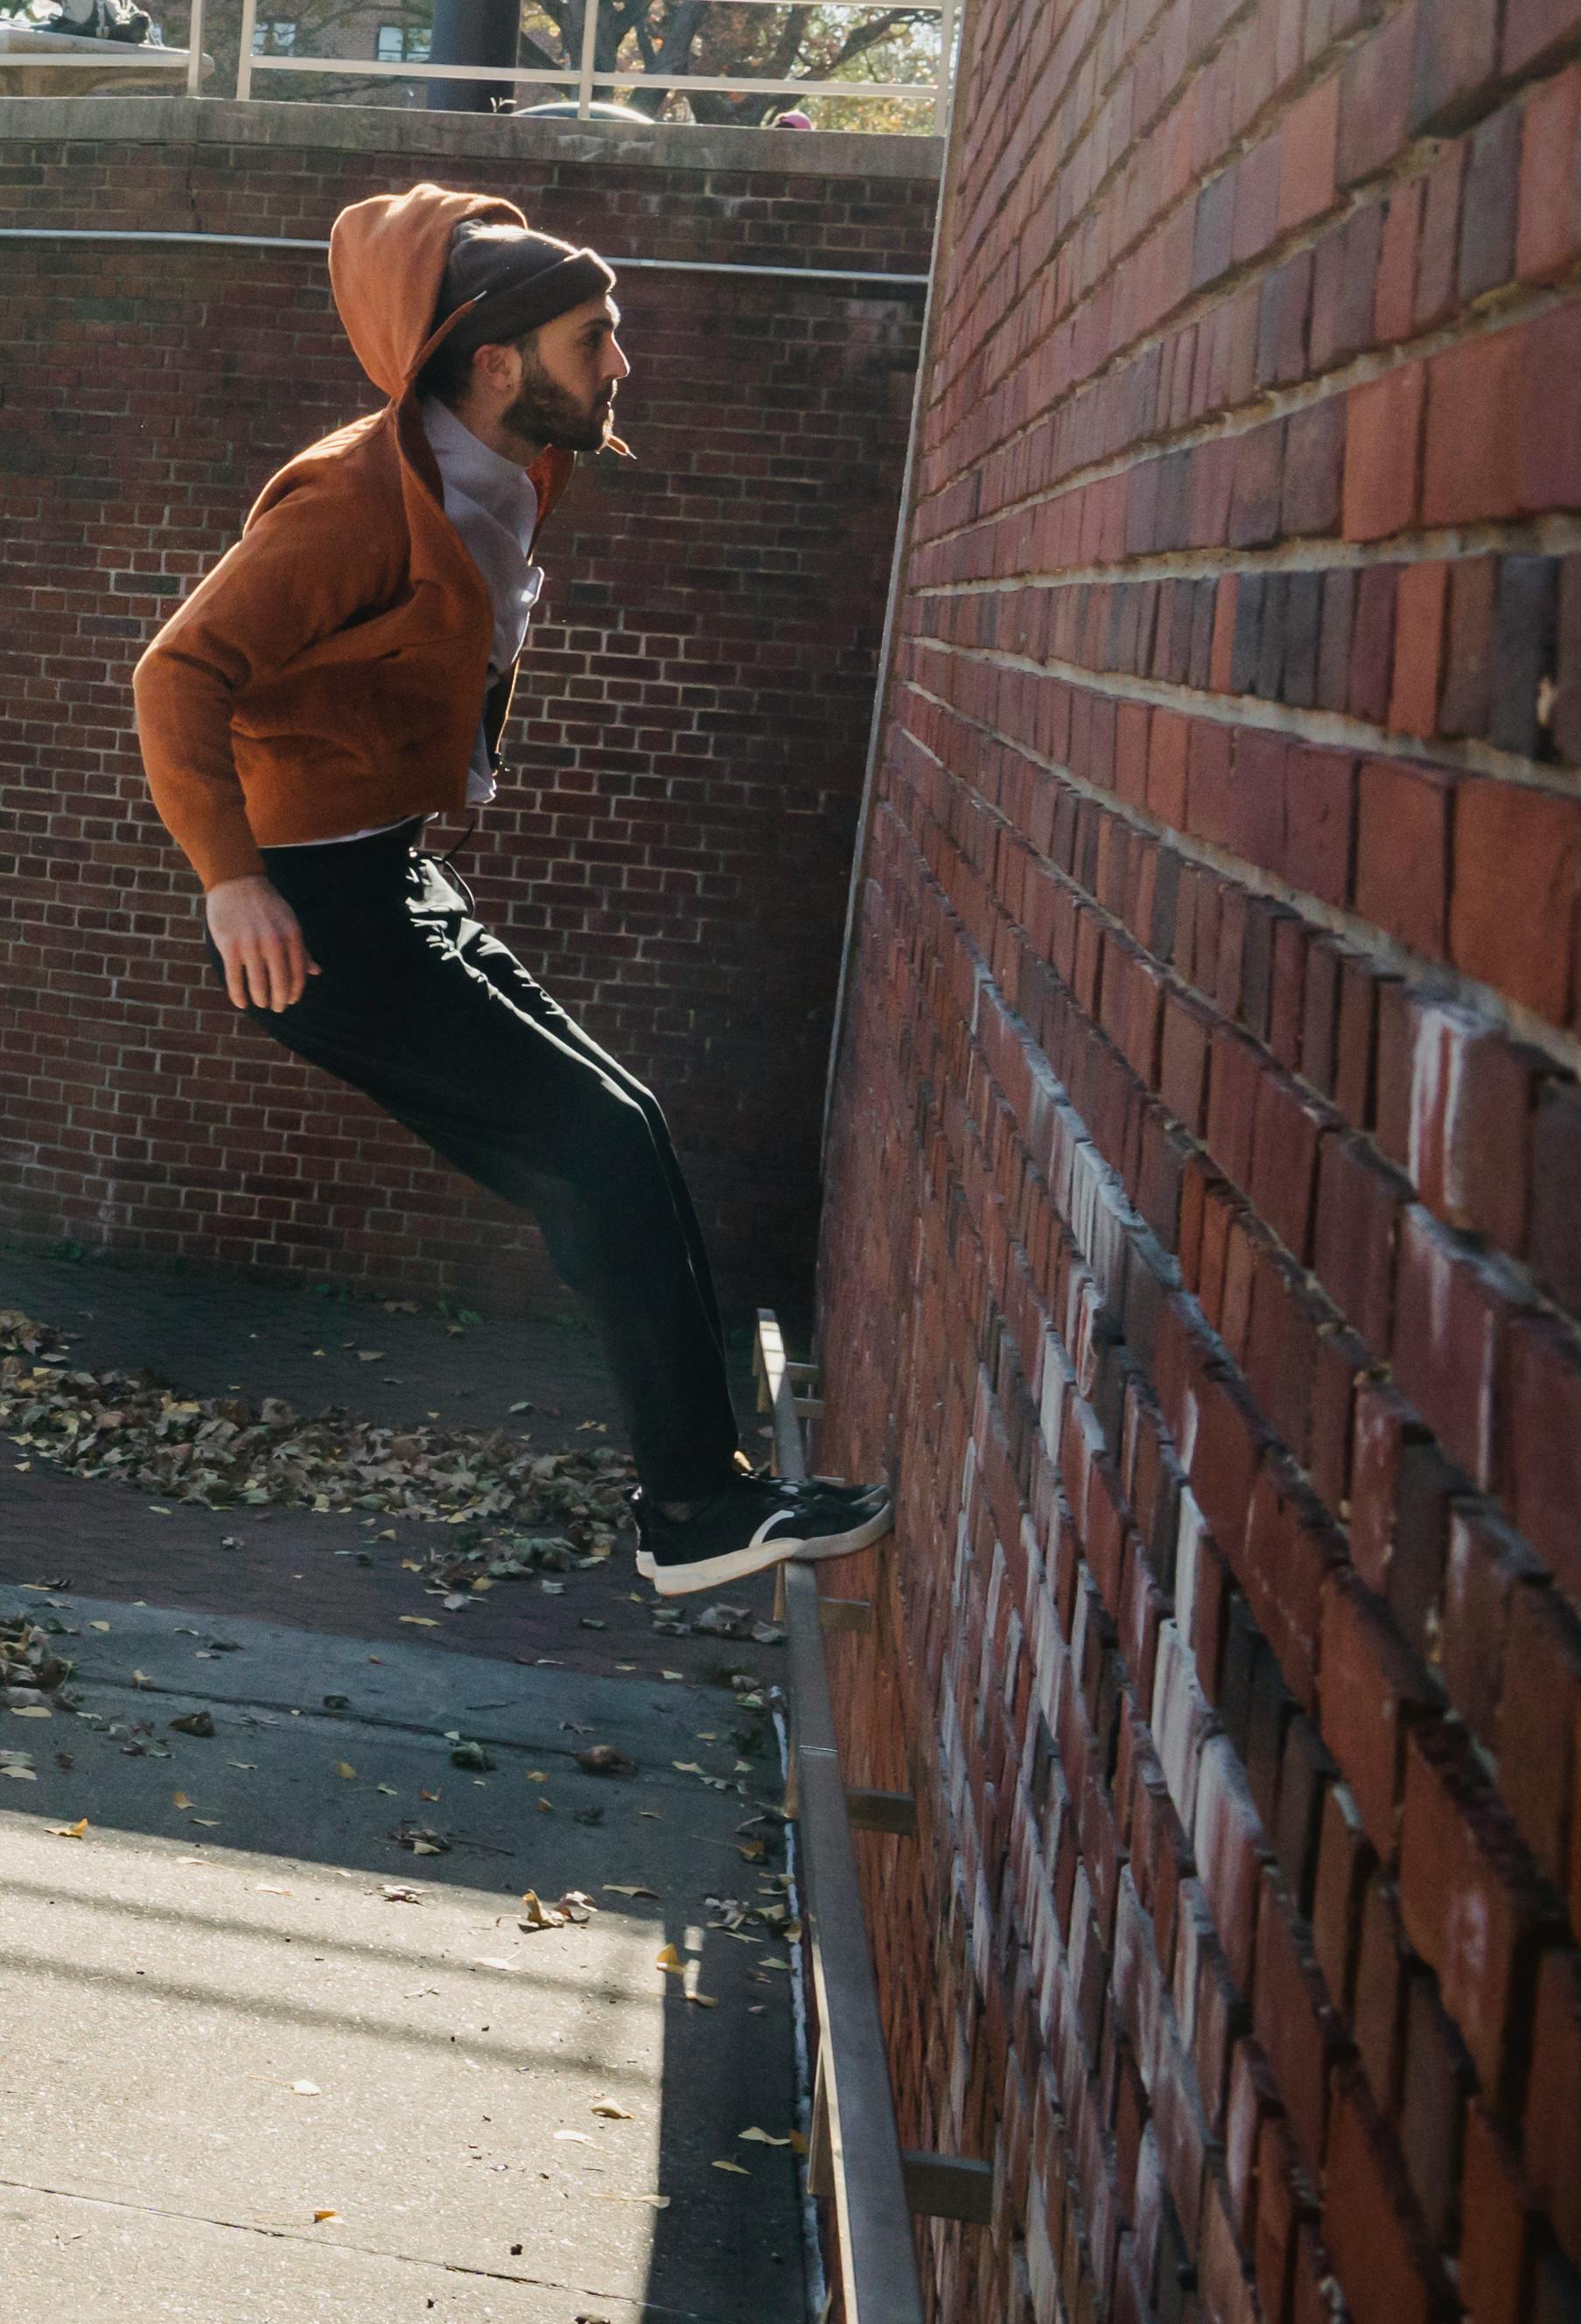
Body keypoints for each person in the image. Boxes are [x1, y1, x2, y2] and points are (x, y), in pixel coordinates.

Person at [131, 181, 892, 1597]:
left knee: (623, 1131)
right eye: (595, 336)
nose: (621, 364)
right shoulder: (352, 503)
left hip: (388, 876)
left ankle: (709, 1491)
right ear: (498, 365)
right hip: (315, 923)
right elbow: (176, 673)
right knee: (596, 1148)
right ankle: (692, 1519)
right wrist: (230, 882)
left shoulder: (512, 460)